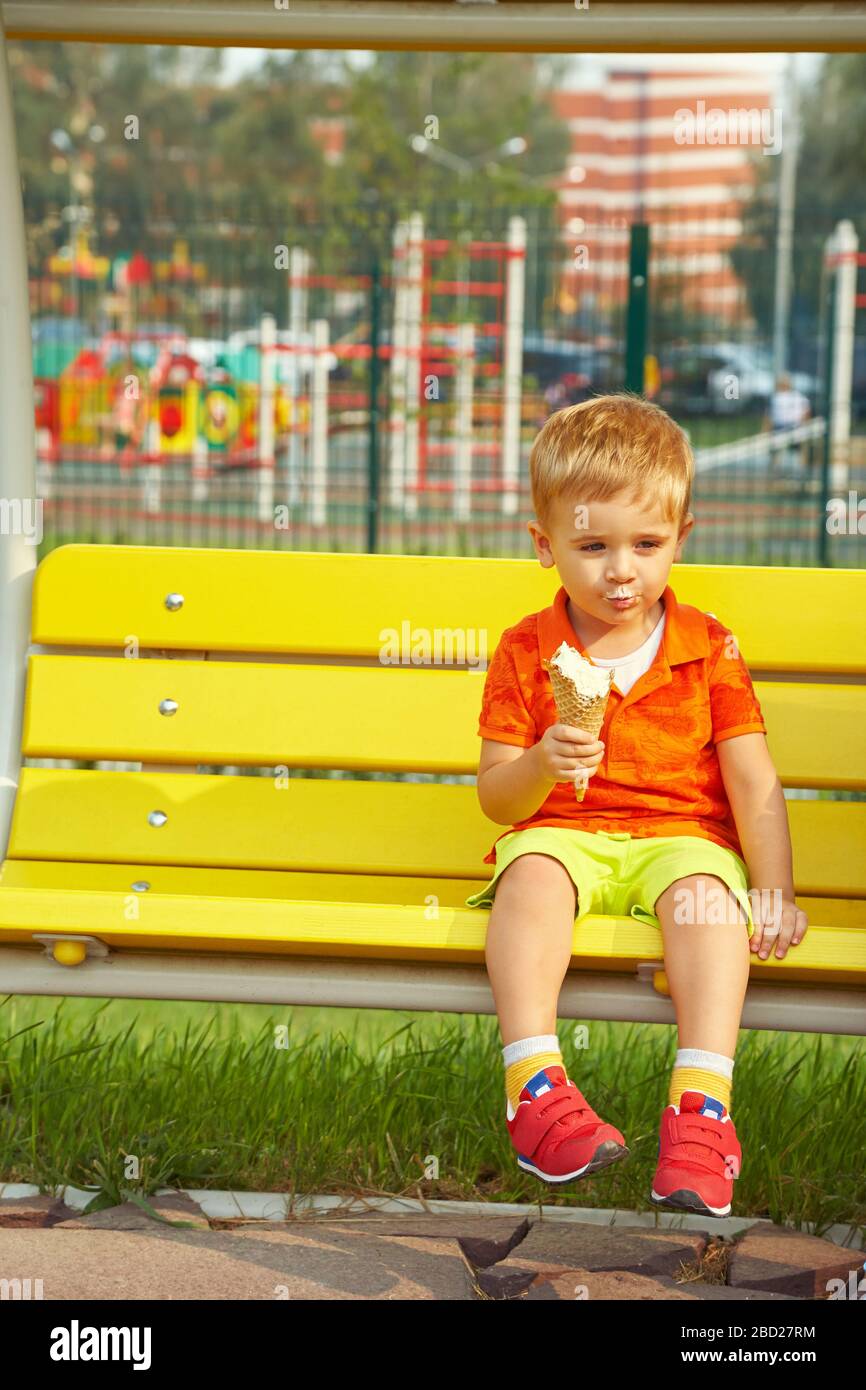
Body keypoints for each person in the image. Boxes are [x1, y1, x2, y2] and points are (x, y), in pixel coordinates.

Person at [464, 393, 808, 1218]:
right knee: (532, 882)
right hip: (563, 831)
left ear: (682, 538)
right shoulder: (527, 649)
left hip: (680, 835)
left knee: (706, 905)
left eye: (647, 545)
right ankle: (534, 1086)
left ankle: (701, 1110)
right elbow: (496, 798)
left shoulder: (708, 646)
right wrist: (545, 763)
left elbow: (753, 782)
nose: (622, 570)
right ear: (545, 547)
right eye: (593, 546)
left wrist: (777, 889)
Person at [764, 372, 811, 477]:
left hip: (788, 426)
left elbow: (769, 415)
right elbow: (806, 412)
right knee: (780, 451)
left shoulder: (780, 397)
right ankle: (781, 472)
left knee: (794, 451)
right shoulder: (795, 396)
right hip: (786, 426)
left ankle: (795, 472)